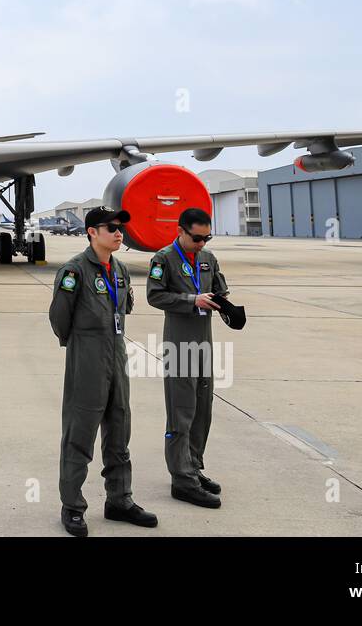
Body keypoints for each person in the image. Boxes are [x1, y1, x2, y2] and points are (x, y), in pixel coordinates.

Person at [49, 206, 158, 536]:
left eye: (120, 226)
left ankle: (119, 500)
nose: (118, 232)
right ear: (92, 232)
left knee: (119, 428)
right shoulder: (75, 271)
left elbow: (124, 309)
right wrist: (83, 345)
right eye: (110, 227)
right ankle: (72, 507)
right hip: (87, 358)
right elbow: (59, 318)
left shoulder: (121, 270)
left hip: (117, 356)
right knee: (80, 433)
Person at [145, 207, 227, 508]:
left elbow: (219, 288)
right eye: (196, 238)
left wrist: (224, 303)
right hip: (179, 345)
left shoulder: (208, 259)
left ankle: (193, 467)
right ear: (180, 231)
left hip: (204, 343)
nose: (202, 244)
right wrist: (193, 300)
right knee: (182, 411)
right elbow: (155, 295)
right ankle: (181, 479)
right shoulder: (164, 258)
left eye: (207, 237)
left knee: (203, 410)